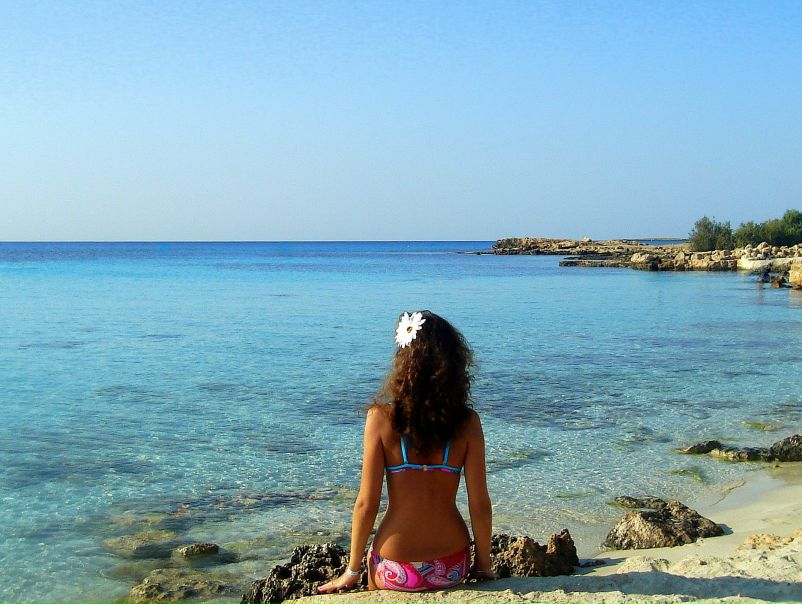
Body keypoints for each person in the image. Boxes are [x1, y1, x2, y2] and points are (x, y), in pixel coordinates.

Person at [317, 310, 495, 593]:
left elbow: (366, 504)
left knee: (374, 578)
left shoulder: (380, 419)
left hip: (395, 567)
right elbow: (480, 504)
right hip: (451, 564)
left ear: (403, 360)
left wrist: (352, 570)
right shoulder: (468, 423)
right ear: (454, 364)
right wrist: (483, 564)